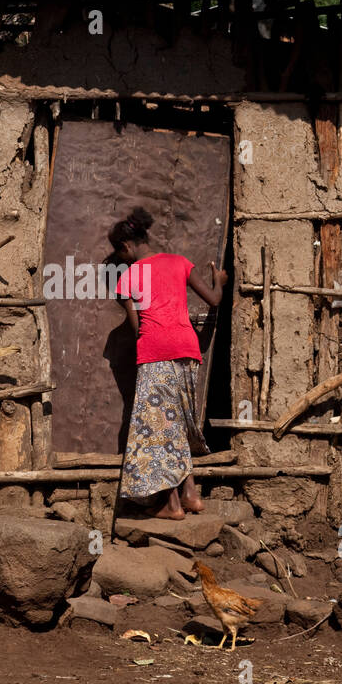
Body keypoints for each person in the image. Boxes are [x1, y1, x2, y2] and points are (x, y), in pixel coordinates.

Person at [109, 207, 228, 520]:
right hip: (187, 351)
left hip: (156, 353)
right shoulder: (180, 263)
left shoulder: (129, 277)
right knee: (176, 424)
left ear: (125, 247)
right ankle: (191, 495)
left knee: (157, 428)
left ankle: (171, 505)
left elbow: (138, 330)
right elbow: (214, 300)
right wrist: (220, 280)